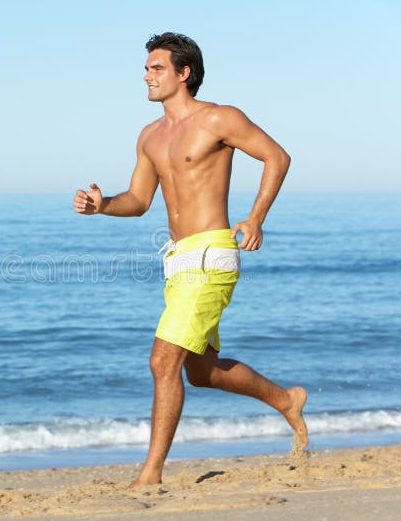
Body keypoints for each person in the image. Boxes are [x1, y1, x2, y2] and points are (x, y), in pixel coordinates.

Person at [73, 32, 308, 488]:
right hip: (178, 260)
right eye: (146, 68)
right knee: (199, 371)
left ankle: (150, 476)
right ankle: (285, 400)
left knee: (163, 361)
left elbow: (277, 156)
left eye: (156, 68)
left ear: (184, 73)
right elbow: (139, 200)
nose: (147, 76)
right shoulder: (150, 136)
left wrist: (255, 217)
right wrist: (102, 206)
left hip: (213, 253)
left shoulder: (218, 118)